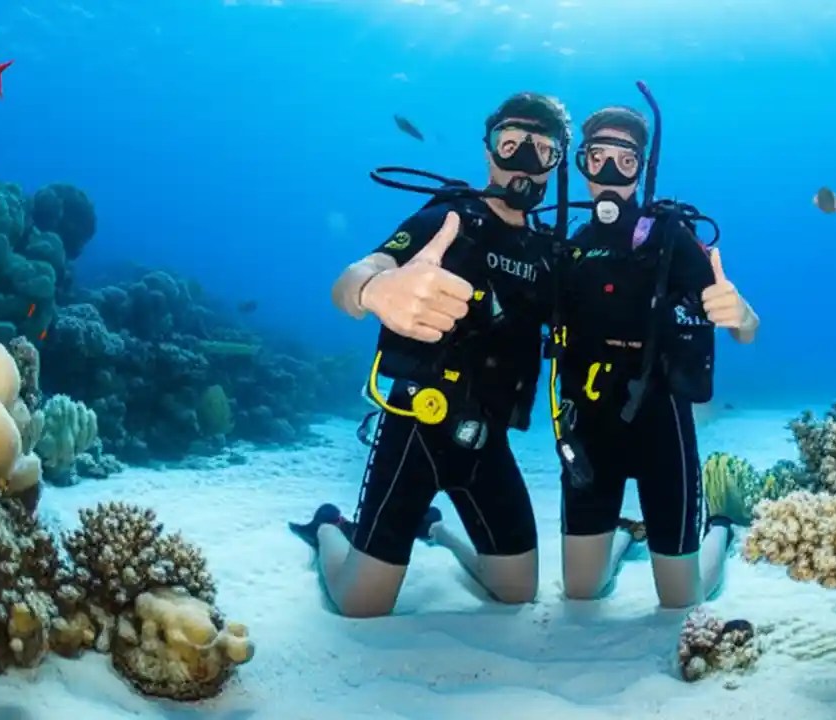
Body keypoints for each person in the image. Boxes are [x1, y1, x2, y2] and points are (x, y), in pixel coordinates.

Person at [288, 92, 572, 617]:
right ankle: (329, 525)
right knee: (361, 605)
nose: (525, 162)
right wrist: (373, 290)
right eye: (511, 144)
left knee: (517, 593)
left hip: (487, 440)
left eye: (542, 149)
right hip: (416, 426)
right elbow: (353, 277)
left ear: (557, 163)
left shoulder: (549, 254)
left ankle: (435, 529)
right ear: (488, 151)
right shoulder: (447, 220)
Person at [549, 100, 760, 609]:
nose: (609, 172)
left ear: (641, 169)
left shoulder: (670, 240)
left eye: (625, 160)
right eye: (598, 157)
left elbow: (746, 329)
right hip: (589, 428)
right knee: (581, 591)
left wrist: (741, 315)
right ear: (581, 165)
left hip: (660, 424)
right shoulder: (570, 247)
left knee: (681, 600)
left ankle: (721, 530)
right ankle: (626, 537)